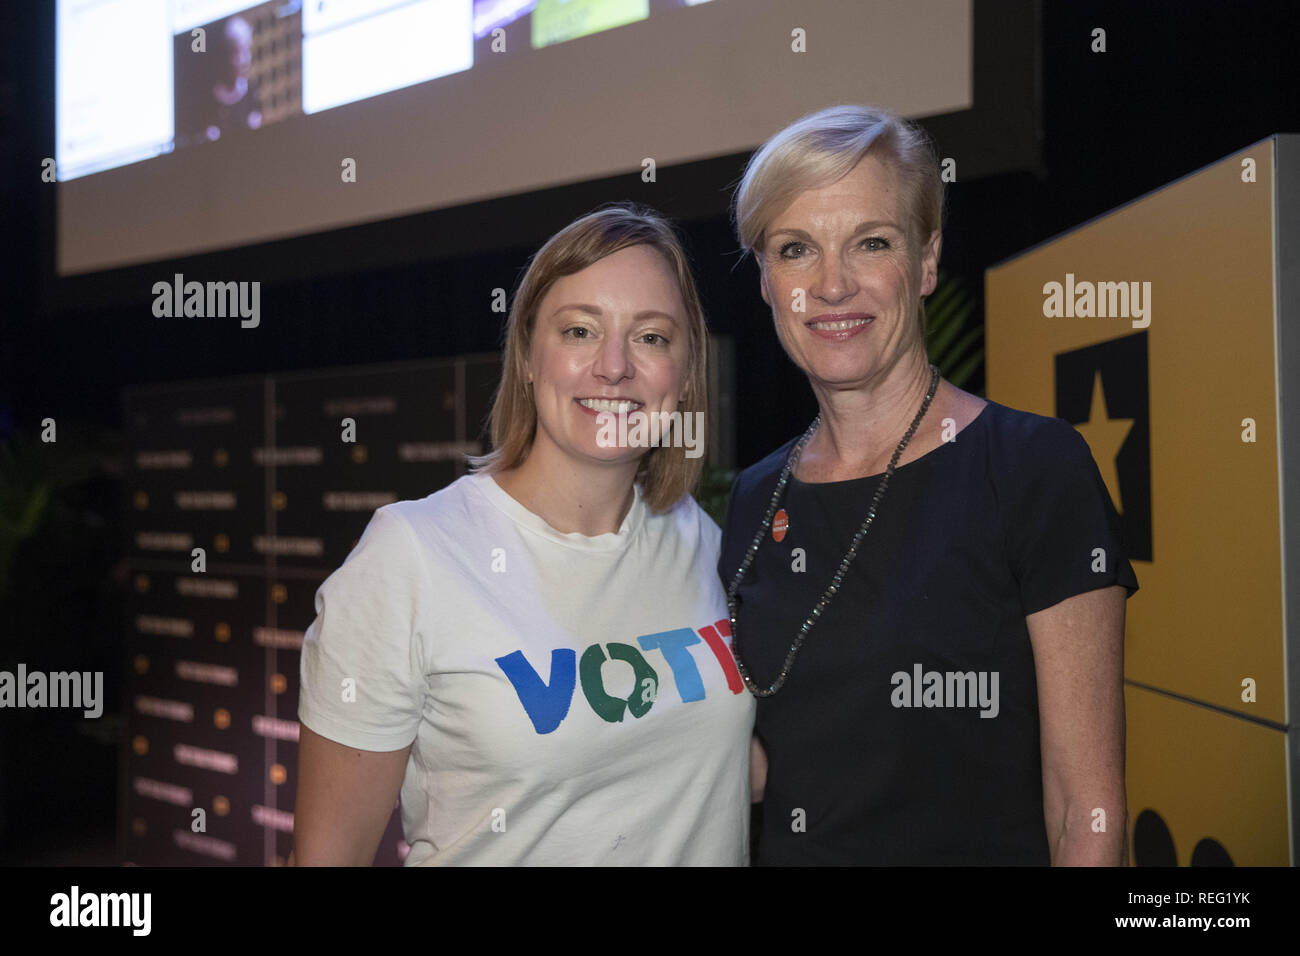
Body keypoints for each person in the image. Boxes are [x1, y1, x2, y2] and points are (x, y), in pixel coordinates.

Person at [721, 105, 1139, 865]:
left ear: (926, 261)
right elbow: (765, 763)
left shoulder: (1033, 468)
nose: (833, 283)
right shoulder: (755, 496)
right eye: (796, 249)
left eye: (872, 242)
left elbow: (1087, 815)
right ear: (767, 281)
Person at [291, 203, 754, 865]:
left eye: (652, 337)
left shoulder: (697, 537)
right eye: (579, 331)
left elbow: (724, 768)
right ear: (530, 357)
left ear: (684, 376)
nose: (614, 366)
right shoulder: (412, 556)